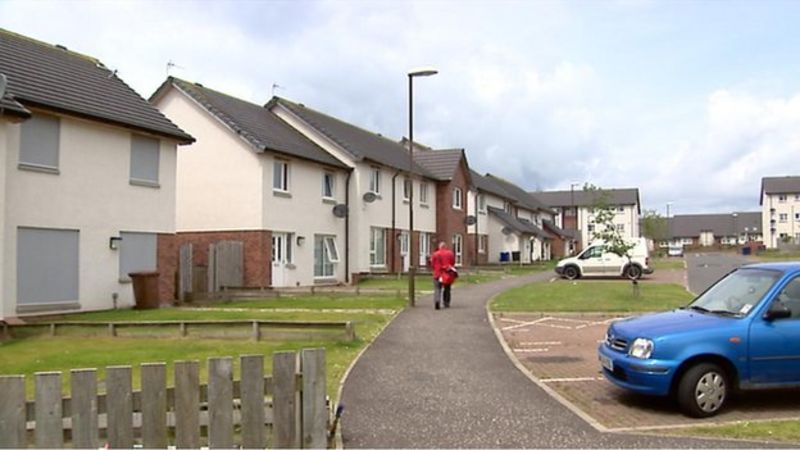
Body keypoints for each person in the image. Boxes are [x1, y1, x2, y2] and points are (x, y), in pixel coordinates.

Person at [430, 241, 456, 309]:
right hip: (446, 274)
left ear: (439, 247)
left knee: (437, 288)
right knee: (447, 288)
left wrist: (435, 269)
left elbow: (432, 264)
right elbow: (453, 263)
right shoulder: (450, 253)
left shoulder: (435, 254)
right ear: (445, 247)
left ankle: (437, 301)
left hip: (437, 274)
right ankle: (446, 302)